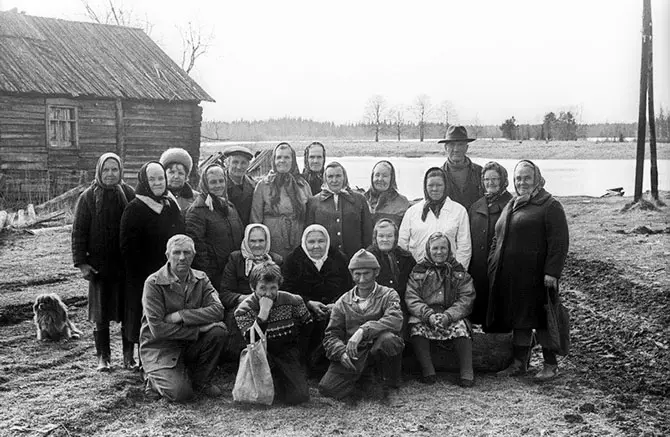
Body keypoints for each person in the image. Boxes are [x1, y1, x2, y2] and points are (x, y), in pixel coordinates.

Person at [487, 160, 569, 380]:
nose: (522, 182)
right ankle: (519, 363)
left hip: (538, 277)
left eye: (526, 178)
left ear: (537, 179)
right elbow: (498, 236)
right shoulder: (513, 203)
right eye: (518, 178)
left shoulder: (549, 205)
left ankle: (550, 365)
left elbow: (559, 242)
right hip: (514, 277)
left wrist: (552, 272)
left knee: (543, 321)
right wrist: (493, 261)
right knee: (519, 319)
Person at [140, 234, 227, 402]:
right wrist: (199, 329)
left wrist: (181, 315)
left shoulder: (201, 278)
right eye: (176, 252)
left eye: (187, 253)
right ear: (167, 256)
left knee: (218, 331)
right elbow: (157, 330)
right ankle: (151, 378)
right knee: (182, 395)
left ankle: (200, 380)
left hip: (189, 345)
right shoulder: (153, 283)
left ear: (193, 256)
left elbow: (218, 310)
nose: (182, 258)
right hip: (161, 348)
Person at [72, 153, 135, 371]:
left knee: (128, 311)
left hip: (125, 266)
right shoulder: (88, 197)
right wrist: (82, 264)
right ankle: (103, 358)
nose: (110, 174)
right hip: (99, 267)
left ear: (121, 171)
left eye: (114, 170)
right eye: (106, 169)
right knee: (101, 314)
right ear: (99, 171)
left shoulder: (128, 194)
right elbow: (78, 232)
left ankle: (129, 357)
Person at [120, 161, 185, 365]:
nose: (158, 183)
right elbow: (127, 248)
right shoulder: (135, 208)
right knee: (142, 313)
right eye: (153, 179)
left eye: (160, 178)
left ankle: (164, 356)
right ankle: (139, 357)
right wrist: (145, 273)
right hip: (142, 273)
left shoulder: (170, 205)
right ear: (144, 182)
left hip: (169, 270)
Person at [319, 249, 404, 401]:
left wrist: (363, 330)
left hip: (377, 349)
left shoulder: (388, 294)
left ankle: (386, 381)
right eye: (357, 274)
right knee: (328, 388)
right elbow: (331, 335)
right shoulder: (343, 302)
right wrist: (340, 352)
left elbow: (395, 320)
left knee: (389, 340)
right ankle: (364, 379)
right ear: (351, 275)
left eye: (367, 273)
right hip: (354, 353)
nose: (362, 279)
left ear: (376, 272)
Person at [235, 262, 313, 405]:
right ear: (253, 287)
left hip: (287, 351)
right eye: (262, 288)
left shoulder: (293, 300)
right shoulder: (244, 309)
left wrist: (299, 355)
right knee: (263, 394)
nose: (268, 293)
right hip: (261, 354)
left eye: (273, 288)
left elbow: (307, 324)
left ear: (278, 286)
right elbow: (251, 339)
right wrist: (263, 314)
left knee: (299, 397)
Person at [405, 233, 475, 387]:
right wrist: (428, 315)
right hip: (426, 314)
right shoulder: (419, 271)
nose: (439, 252)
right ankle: (428, 370)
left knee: (462, 328)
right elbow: (412, 298)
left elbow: (466, 297)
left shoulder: (458, 270)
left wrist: (449, 315)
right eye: (435, 248)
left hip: (450, 313)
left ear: (449, 249)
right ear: (428, 250)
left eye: (443, 248)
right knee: (416, 328)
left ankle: (467, 371)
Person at [282, 224, 351, 375]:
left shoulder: (339, 258)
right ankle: (305, 365)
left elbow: (348, 287)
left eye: (321, 241)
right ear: (304, 243)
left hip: (335, 306)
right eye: (311, 242)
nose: (316, 246)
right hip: (303, 307)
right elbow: (287, 289)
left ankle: (329, 365)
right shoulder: (293, 260)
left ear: (327, 242)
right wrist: (308, 303)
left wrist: (336, 304)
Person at [219, 224, 283, 356]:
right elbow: (225, 293)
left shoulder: (276, 260)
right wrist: (249, 299)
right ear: (246, 241)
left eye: (261, 240)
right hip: (242, 305)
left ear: (267, 241)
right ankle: (241, 356)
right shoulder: (236, 259)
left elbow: (282, 290)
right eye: (252, 241)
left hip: (270, 303)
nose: (257, 245)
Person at [185, 163, 244, 291]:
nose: (218, 185)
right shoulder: (197, 210)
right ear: (205, 185)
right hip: (214, 275)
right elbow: (198, 248)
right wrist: (207, 275)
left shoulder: (230, 207)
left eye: (221, 181)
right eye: (213, 182)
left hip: (232, 272)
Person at [468, 161, 512, 326]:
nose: (490, 183)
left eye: (495, 179)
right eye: (487, 179)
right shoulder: (476, 206)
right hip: (478, 267)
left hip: (501, 266)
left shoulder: (511, 204)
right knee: (479, 307)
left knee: (499, 308)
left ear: (502, 180)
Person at [398, 167, 471, 268]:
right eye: (431, 185)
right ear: (425, 186)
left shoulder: (459, 211)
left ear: (445, 186)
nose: (435, 189)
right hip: (417, 272)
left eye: (439, 185)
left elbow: (464, 247)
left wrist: (458, 273)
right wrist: (409, 270)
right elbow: (402, 244)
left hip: (449, 272)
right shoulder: (412, 212)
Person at [251, 142, 312, 259]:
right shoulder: (263, 185)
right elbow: (255, 220)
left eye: (286, 157)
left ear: (293, 161)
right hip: (272, 241)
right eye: (279, 157)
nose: (282, 160)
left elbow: (310, 216)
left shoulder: (302, 185)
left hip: (298, 238)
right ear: (273, 160)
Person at [306, 161, 372, 260]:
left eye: (338, 176)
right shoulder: (314, 202)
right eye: (330, 176)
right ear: (325, 179)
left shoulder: (359, 199)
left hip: (354, 257)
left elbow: (367, 232)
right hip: (326, 259)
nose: (334, 180)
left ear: (344, 177)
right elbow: (309, 233)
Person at [367, 219, 416, 339]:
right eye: (381, 236)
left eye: (389, 236)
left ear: (396, 237)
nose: (385, 239)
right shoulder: (367, 257)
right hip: (374, 305)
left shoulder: (406, 258)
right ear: (375, 237)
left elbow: (414, 286)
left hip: (401, 304)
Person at [438, 125, 484, 211]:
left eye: (460, 145)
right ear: (445, 148)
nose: (456, 149)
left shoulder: (480, 172)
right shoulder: (438, 175)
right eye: (452, 145)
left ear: (466, 148)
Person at [364, 160, 411, 228]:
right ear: (372, 177)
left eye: (385, 176)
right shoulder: (362, 200)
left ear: (391, 178)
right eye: (377, 175)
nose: (380, 179)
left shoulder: (402, 202)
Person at [222, 145, 256, 226]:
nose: (239, 167)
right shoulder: (219, 185)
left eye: (243, 163)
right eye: (235, 162)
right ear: (227, 163)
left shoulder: (253, 186)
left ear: (248, 165)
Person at [159, 147, 199, 212]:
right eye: (171, 172)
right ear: (164, 174)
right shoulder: (156, 197)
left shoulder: (197, 199)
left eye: (180, 173)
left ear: (186, 177)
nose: (176, 176)